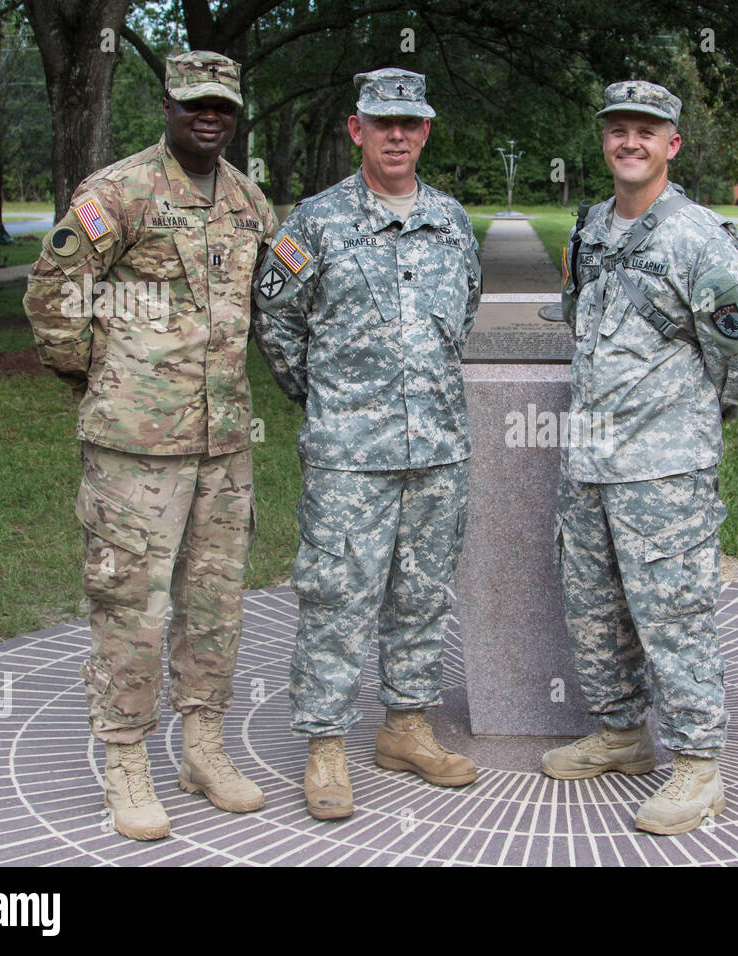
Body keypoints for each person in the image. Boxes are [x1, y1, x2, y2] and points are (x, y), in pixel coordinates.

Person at [23, 51, 277, 840]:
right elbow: (53, 296)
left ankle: (201, 745)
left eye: (223, 107)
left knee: (214, 607)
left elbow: (278, 291)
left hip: (222, 447)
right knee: (130, 605)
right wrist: (101, 383)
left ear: (236, 115)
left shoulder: (247, 200)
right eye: (195, 103)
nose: (210, 117)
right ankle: (125, 763)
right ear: (167, 104)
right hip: (133, 452)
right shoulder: (118, 192)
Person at [541, 81, 738, 835]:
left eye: (647, 131)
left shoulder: (699, 238)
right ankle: (620, 733)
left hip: (664, 472)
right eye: (618, 130)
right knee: (594, 608)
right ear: (604, 140)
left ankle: (699, 765)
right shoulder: (589, 230)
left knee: (674, 615)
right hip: (590, 463)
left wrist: (692, 424)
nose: (629, 143)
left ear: (672, 144)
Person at [252, 68, 481, 821]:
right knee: (335, 598)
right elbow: (277, 325)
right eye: (382, 123)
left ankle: (406, 726)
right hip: (350, 456)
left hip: (438, 451)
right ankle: (324, 745)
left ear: (425, 131)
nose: (396, 136)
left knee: (420, 596)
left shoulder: (451, 221)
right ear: (357, 130)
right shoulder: (313, 223)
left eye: (410, 124)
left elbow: (464, 312)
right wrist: (329, 403)